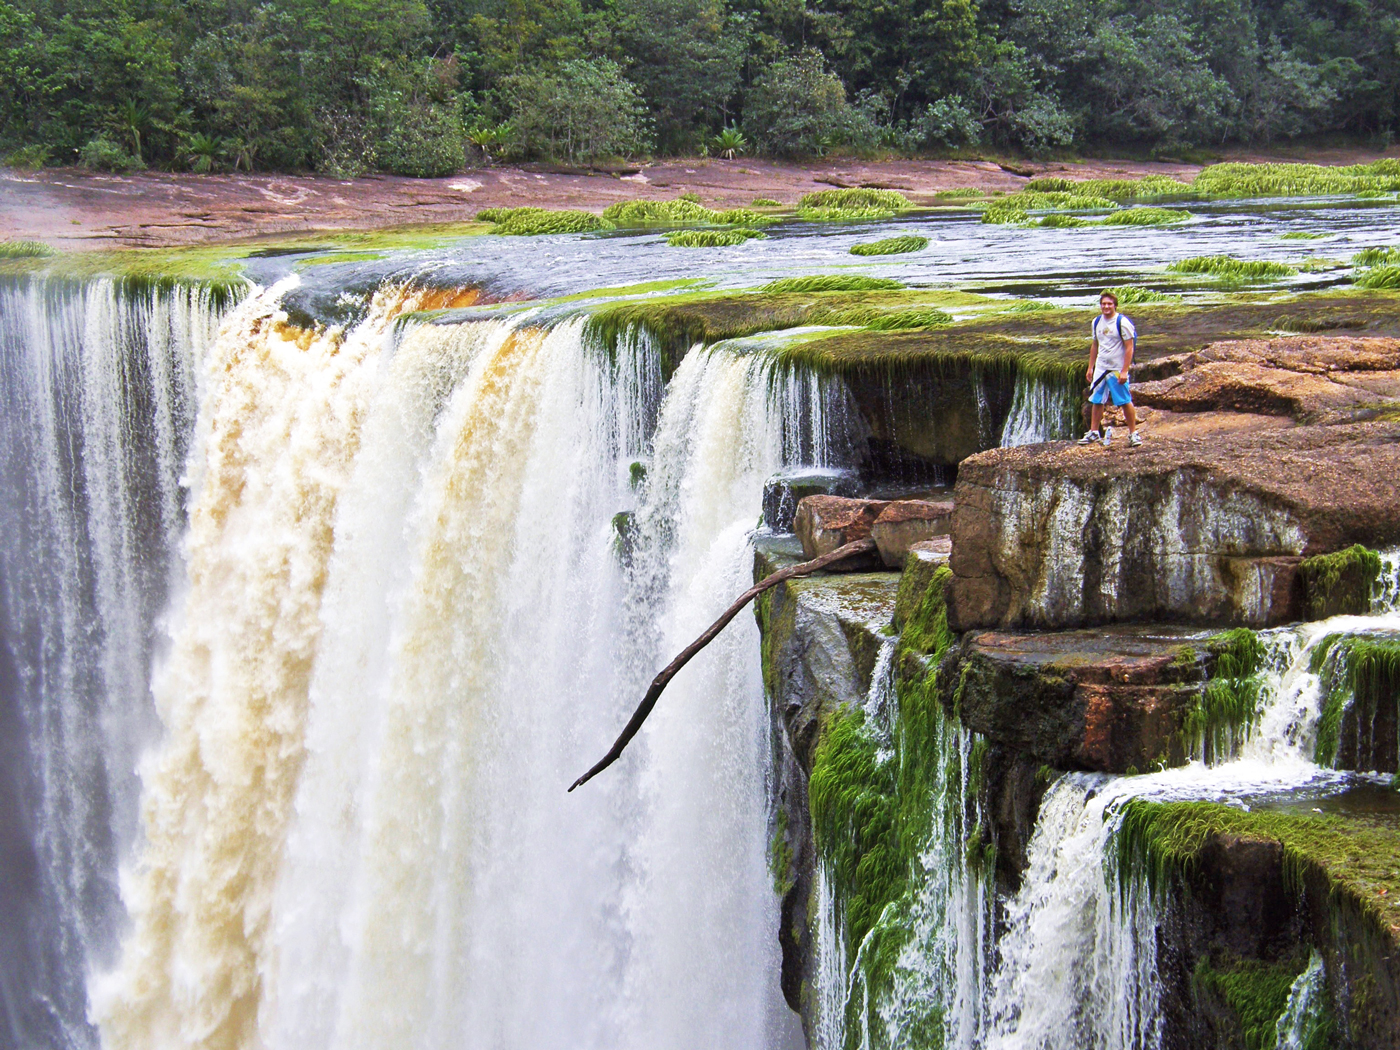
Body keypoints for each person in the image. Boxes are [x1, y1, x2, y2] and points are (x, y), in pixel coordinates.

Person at [1077, 290, 1141, 447]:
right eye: (1103, 304)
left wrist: (1125, 370)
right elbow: (1095, 345)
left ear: (1115, 305)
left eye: (1109, 304)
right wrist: (1090, 367)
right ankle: (1094, 432)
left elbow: (1129, 347)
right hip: (1101, 367)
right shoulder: (1096, 322)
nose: (1106, 306)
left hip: (1116, 369)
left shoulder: (1122, 322)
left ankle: (1133, 433)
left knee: (1124, 400)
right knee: (1096, 399)